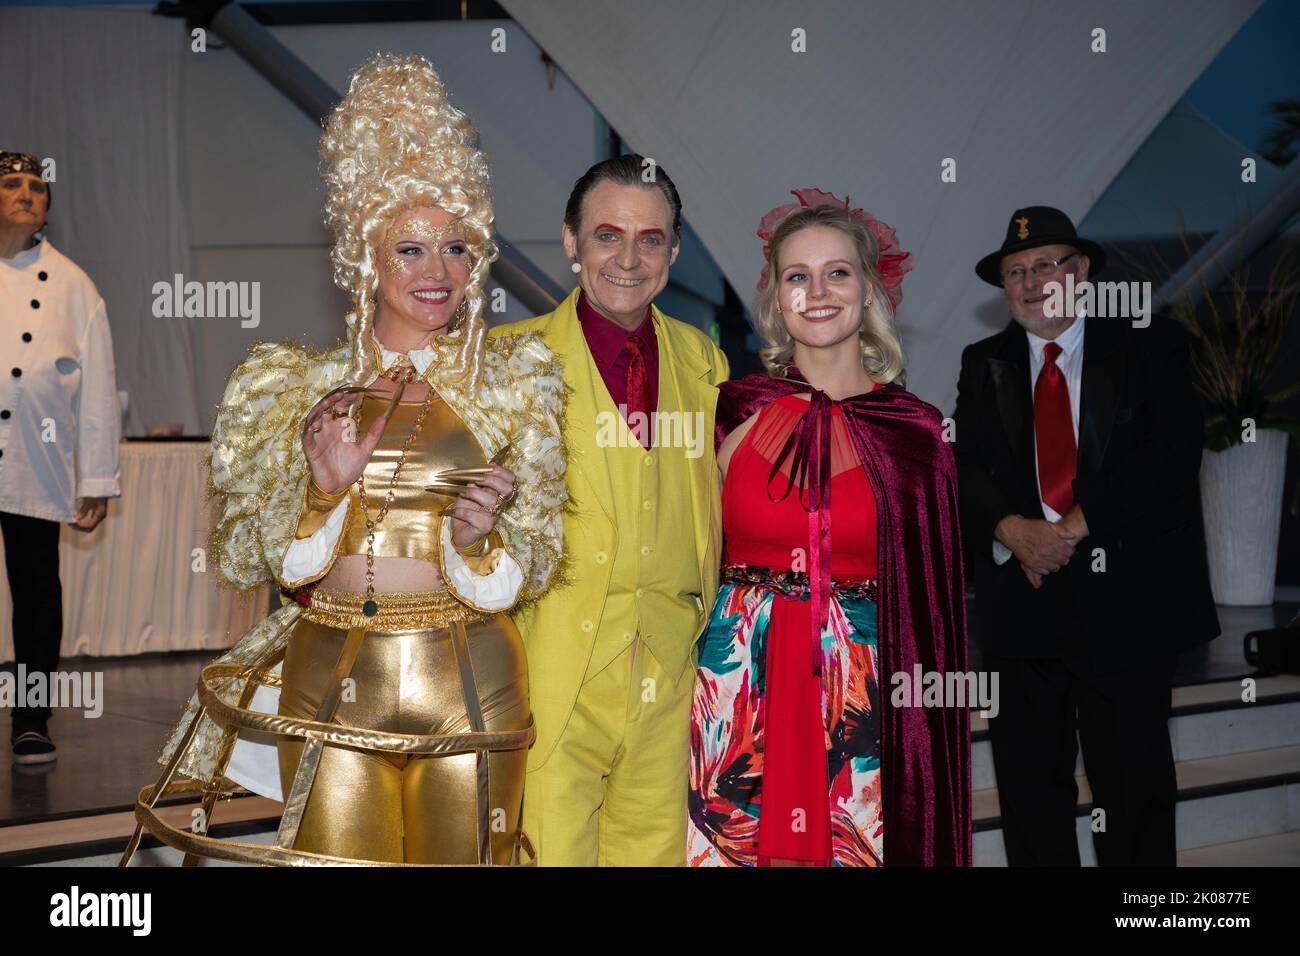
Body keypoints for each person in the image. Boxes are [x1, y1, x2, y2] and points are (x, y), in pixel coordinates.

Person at [125, 54, 566, 866]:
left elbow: (532, 563)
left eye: (458, 249)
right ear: (367, 259)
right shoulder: (291, 389)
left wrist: (476, 543)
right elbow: (256, 557)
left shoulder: (518, 389)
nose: (439, 273)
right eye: (411, 250)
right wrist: (319, 495)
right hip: (329, 676)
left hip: (469, 679)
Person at [690, 190, 970, 866]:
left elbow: (934, 603)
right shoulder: (732, 413)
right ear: (777, 299)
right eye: (797, 275)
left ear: (868, 289)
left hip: (861, 690)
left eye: (837, 272)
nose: (818, 291)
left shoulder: (917, 434)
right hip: (737, 679)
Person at [953, 206, 1219, 866]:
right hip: (1022, 603)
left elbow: (1171, 451)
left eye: (1046, 263)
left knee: (1132, 787)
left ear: (1082, 271)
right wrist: (1014, 531)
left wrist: (1069, 529)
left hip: (1127, 604)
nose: (1030, 280)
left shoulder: (1148, 342)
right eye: (1016, 271)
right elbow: (963, 467)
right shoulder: (982, 360)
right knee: (1028, 789)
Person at [491, 154, 729, 865]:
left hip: (671, 682)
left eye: (650, 239)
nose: (629, 257)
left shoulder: (706, 362)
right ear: (570, 240)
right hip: (550, 680)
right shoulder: (507, 362)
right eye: (607, 235)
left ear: (674, 250)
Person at [0, 150, 120, 765]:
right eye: (13, 184)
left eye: (38, 188)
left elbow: (97, 391)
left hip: (32, 461)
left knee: (38, 596)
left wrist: (95, 476)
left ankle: (30, 718)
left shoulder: (74, 285)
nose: (28, 194)